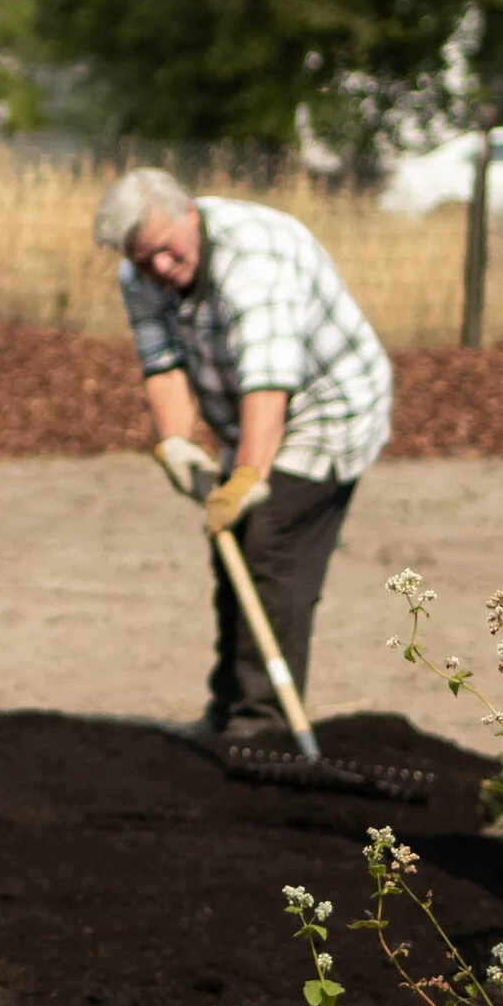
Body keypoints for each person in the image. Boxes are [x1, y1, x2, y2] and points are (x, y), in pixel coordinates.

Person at [92, 169, 392, 745]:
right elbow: (162, 364)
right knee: (229, 542)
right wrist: (176, 440)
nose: (159, 267)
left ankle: (262, 726)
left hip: (328, 407)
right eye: (143, 258)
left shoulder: (255, 261)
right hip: (249, 415)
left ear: (189, 214)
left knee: (269, 543)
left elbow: (269, 382)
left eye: (166, 249)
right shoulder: (139, 274)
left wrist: (248, 476)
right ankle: (228, 708)